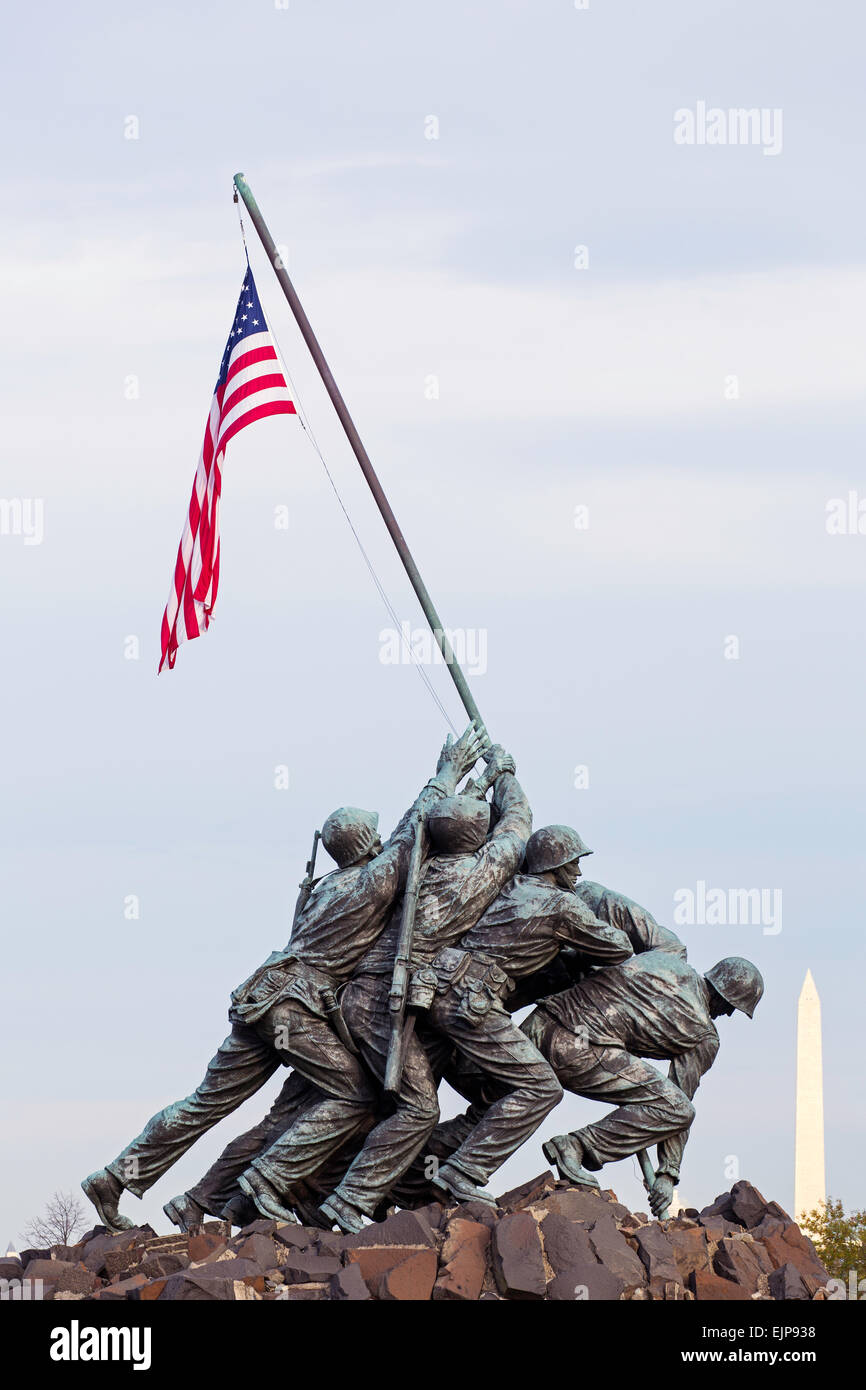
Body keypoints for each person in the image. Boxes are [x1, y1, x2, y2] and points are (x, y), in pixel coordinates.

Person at [81, 723, 485, 1233]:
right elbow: (414, 834)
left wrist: (461, 788)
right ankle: (267, 1180)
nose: (384, 839)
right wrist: (447, 774)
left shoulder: (322, 888)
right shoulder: (369, 882)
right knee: (355, 1093)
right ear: (367, 844)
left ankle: (118, 1175)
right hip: (295, 1007)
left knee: (205, 1102)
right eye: (375, 836)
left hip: (261, 997)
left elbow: (408, 836)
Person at [524, 952, 764, 1216]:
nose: (728, 1015)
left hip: (537, 1024)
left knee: (490, 1099)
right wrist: (668, 1174)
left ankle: (469, 1157)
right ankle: (576, 1145)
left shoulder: (664, 961)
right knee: (678, 1110)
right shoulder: (704, 1034)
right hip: (574, 1048)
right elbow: (679, 1100)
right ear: (723, 996)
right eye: (732, 1007)